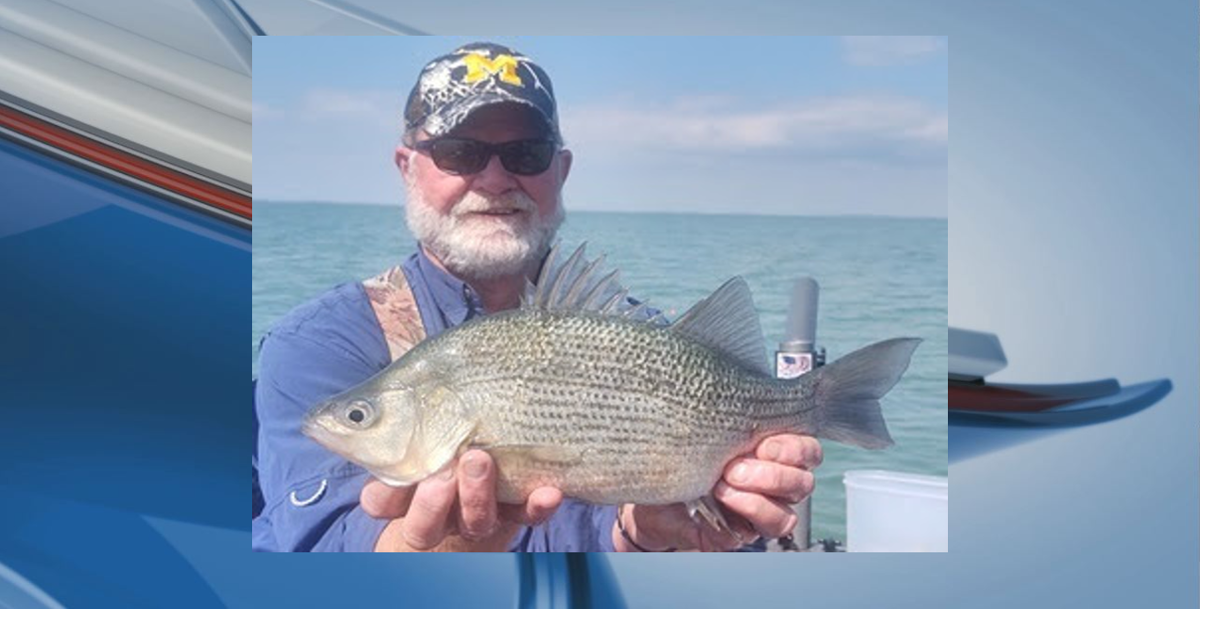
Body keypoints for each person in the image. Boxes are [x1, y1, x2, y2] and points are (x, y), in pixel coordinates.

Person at [253, 42, 821, 552]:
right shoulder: (316, 348)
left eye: (526, 154)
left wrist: (671, 533)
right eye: (459, 152)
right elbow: (316, 549)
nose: (495, 179)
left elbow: (690, 531)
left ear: (561, 170)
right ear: (407, 167)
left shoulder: (640, 336)